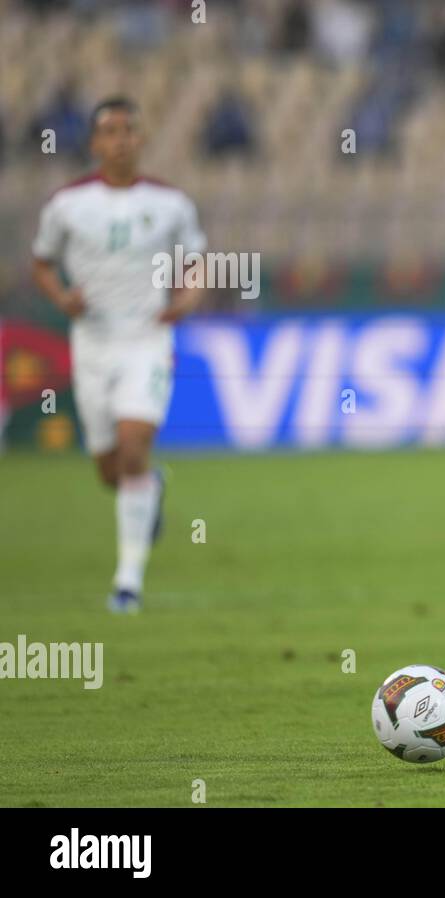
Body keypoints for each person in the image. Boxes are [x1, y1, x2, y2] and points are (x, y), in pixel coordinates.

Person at [31, 96, 206, 614]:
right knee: (111, 471)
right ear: (95, 143)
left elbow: (196, 261)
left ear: (141, 139)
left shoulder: (171, 202)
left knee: (132, 447)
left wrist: (188, 297)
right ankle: (149, 486)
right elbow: (42, 262)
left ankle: (127, 581)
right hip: (92, 344)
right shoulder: (67, 204)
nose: (121, 139)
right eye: (110, 130)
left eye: (129, 129)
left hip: (148, 340)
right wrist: (61, 297)